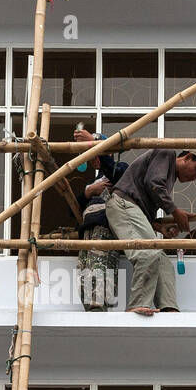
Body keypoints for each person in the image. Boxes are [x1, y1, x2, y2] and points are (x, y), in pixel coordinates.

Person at [105, 147, 196, 315]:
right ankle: (136, 304)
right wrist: (175, 212)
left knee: (163, 261)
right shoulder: (167, 153)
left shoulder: (170, 175)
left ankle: (169, 307)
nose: (195, 177)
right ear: (188, 157)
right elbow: (153, 184)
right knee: (148, 253)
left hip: (132, 208)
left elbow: (145, 205)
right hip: (123, 203)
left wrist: (160, 228)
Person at [72, 127, 128, 311]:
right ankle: (90, 307)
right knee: (85, 269)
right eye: (91, 156)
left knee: (101, 267)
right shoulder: (94, 180)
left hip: (105, 226)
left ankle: (100, 306)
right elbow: (75, 207)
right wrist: (88, 193)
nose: (94, 160)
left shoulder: (119, 168)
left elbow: (112, 171)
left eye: (97, 154)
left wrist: (93, 141)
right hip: (88, 228)